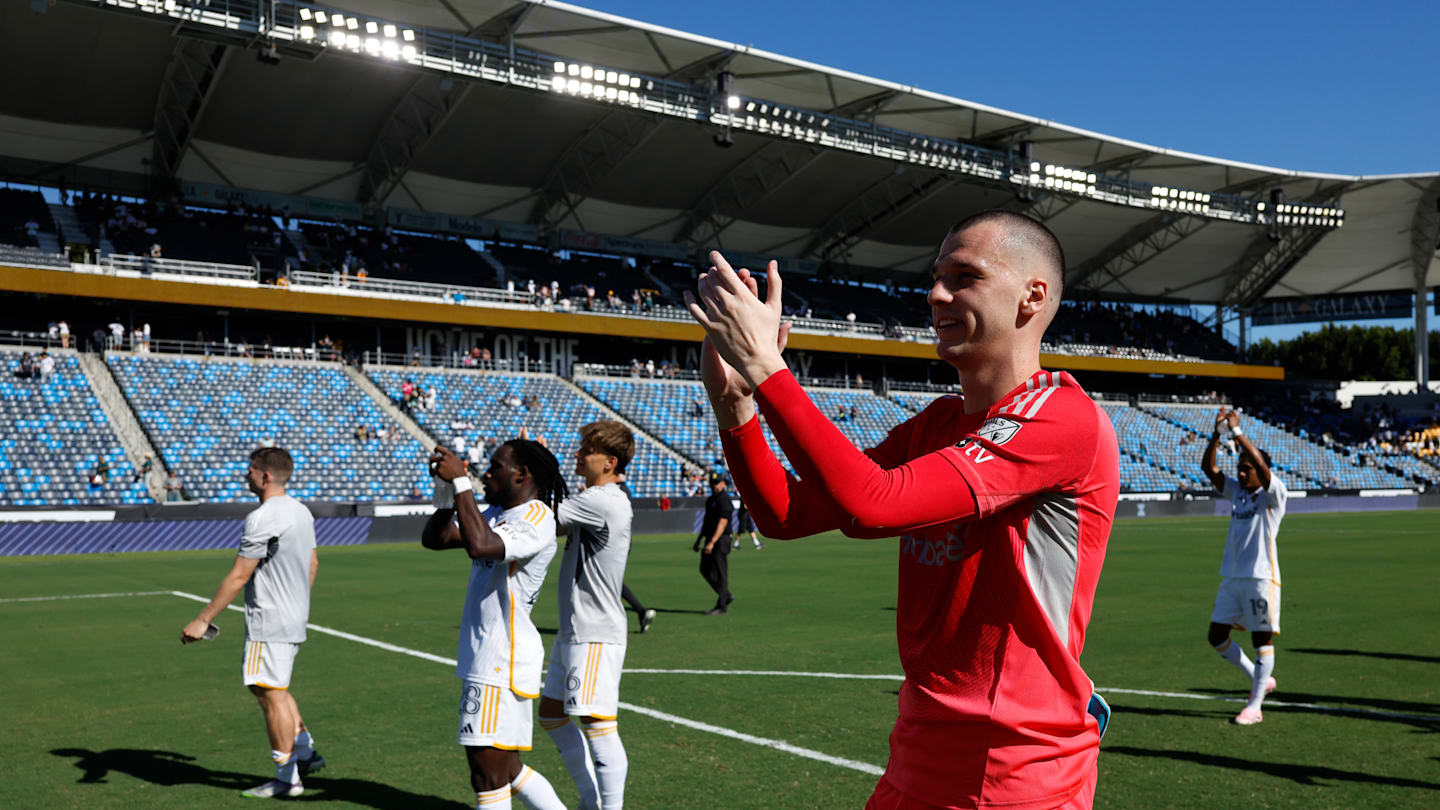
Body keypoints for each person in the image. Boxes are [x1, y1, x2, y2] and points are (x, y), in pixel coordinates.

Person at [684, 210, 1119, 809]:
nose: (937, 293)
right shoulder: (936, 424)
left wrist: (767, 369)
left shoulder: (1065, 418)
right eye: (936, 277)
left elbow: (871, 507)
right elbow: (787, 515)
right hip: (918, 752)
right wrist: (736, 406)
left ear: (1032, 297)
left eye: (964, 276)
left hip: (1012, 772)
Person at [422, 441, 568, 810]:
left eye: (495, 467)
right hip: (493, 657)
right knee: (509, 770)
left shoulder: (536, 516)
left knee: (487, 776)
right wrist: (445, 490)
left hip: (499, 661)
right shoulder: (500, 512)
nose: (487, 473)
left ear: (522, 474)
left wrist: (462, 484)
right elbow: (437, 539)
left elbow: (481, 546)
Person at [179, 447, 324, 798]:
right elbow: (313, 564)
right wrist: (297, 602)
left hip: (270, 620)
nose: (247, 474)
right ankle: (305, 751)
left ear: (266, 476)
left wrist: (203, 619)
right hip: (293, 615)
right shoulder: (301, 511)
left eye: (251, 469)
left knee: (267, 691)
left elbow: (239, 576)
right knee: (273, 686)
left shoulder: (263, 517)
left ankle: (286, 779)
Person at [539, 420, 637, 810]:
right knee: (550, 715)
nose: (578, 454)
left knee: (598, 726)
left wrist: (538, 463)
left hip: (594, 630)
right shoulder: (595, 498)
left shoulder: (603, 501)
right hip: (576, 630)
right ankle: (590, 800)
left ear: (610, 462)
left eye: (586, 451)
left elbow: (542, 515)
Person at [1201, 407, 1288, 726]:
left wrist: (1237, 433)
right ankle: (1258, 678)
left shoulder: (1273, 495)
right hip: (1232, 577)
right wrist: (1216, 433)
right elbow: (1208, 468)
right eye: (1239, 468)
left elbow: (1264, 469)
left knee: (1261, 640)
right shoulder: (1237, 493)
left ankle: (1255, 705)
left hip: (1261, 579)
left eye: (1245, 468)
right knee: (1216, 635)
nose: (1240, 473)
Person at [694, 473, 734, 616]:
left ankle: (722, 605)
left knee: (720, 572)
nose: (714, 485)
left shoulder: (724, 500)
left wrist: (712, 542)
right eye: (712, 483)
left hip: (721, 539)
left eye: (716, 483)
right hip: (710, 538)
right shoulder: (711, 499)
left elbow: (722, 522)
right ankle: (726, 595)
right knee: (704, 569)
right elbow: (706, 522)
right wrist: (699, 540)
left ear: (723, 483)